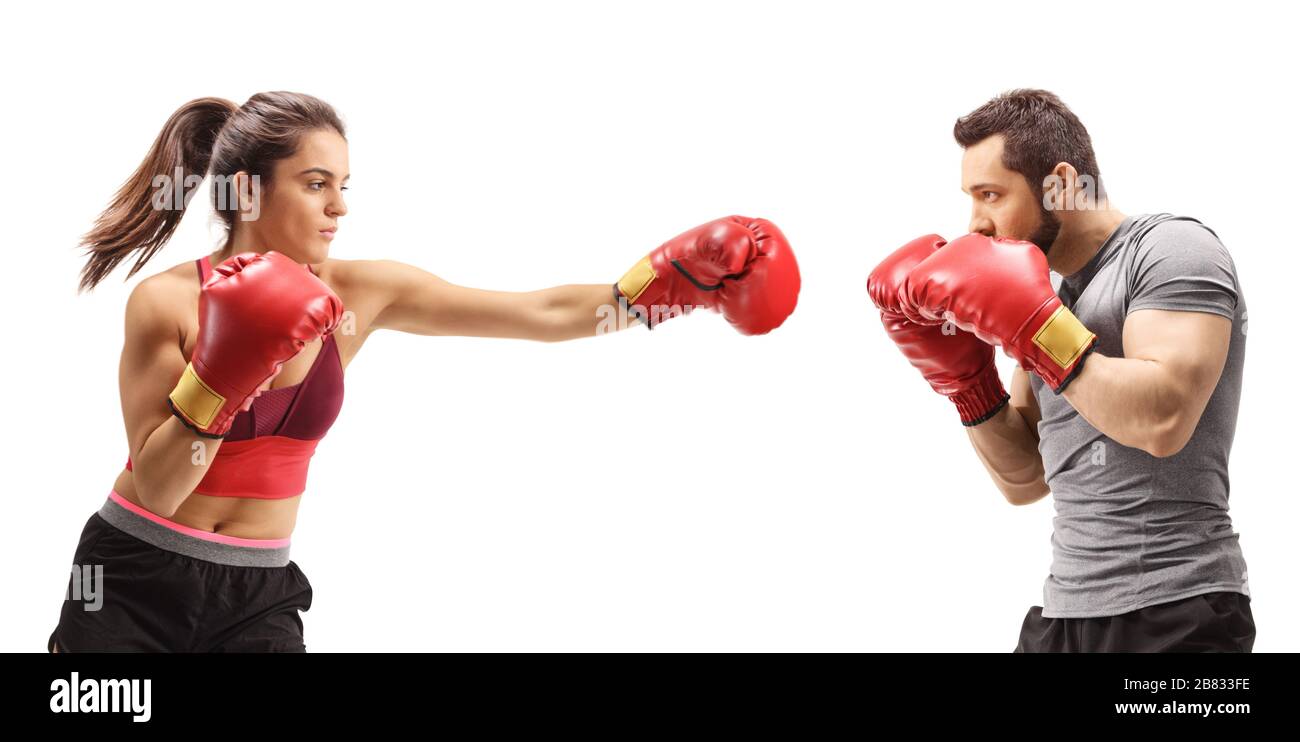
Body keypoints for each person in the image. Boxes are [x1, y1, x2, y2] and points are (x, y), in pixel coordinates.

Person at [50, 91, 800, 652]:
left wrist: (660, 289)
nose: (339, 206)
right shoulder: (168, 302)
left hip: (258, 590)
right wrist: (226, 370)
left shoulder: (362, 293)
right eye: (316, 183)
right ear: (248, 189)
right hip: (130, 580)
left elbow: (536, 312)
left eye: (346, 185)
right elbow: (159, 486)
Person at [867, 89, 1253, 652]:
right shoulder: (1047, 299)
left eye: (991, 195)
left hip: (1178, 610)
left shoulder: (1171, 250)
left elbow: (1163, 420)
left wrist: (1035, 329)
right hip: (1064, 614)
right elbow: (1026, 479)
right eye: (970, 199)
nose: (975, 225)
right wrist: (971, 388)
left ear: (1063, 183)